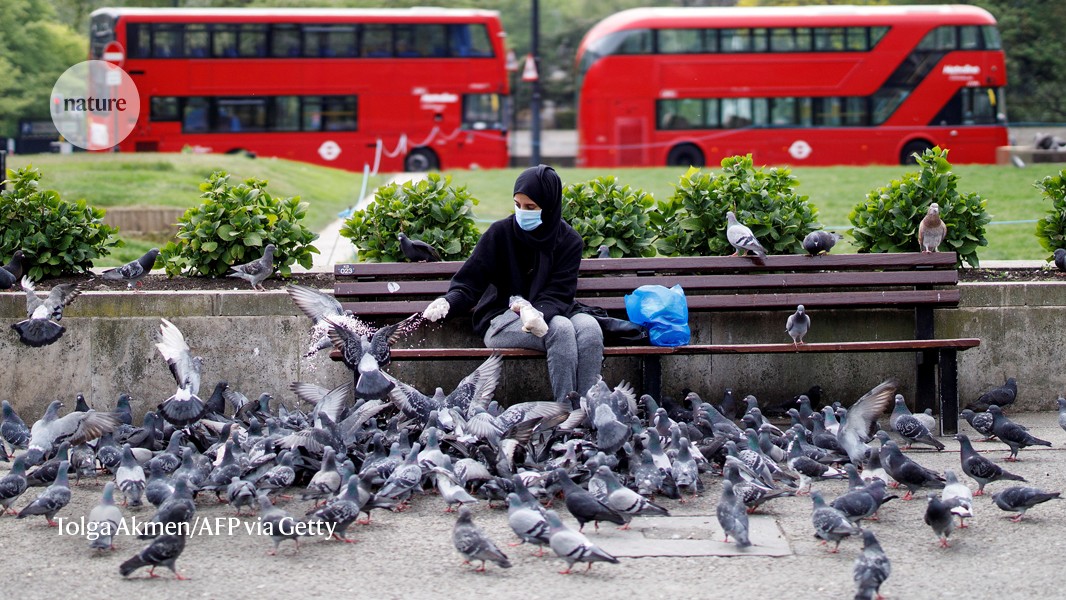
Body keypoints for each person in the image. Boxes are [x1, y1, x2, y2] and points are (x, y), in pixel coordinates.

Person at [421, 164, 603, 402]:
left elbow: (560, 292)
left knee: (590, 329)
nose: (522, 212)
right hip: (500, 319)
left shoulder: (568, 241)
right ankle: (566, 415)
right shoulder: (500, 233)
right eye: (517, 205)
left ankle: (590, 413)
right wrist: (448, 301)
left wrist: (536, 312)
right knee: (561, 329)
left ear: (549, 208)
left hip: (550, 310)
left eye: (531, 207)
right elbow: (470, 281)